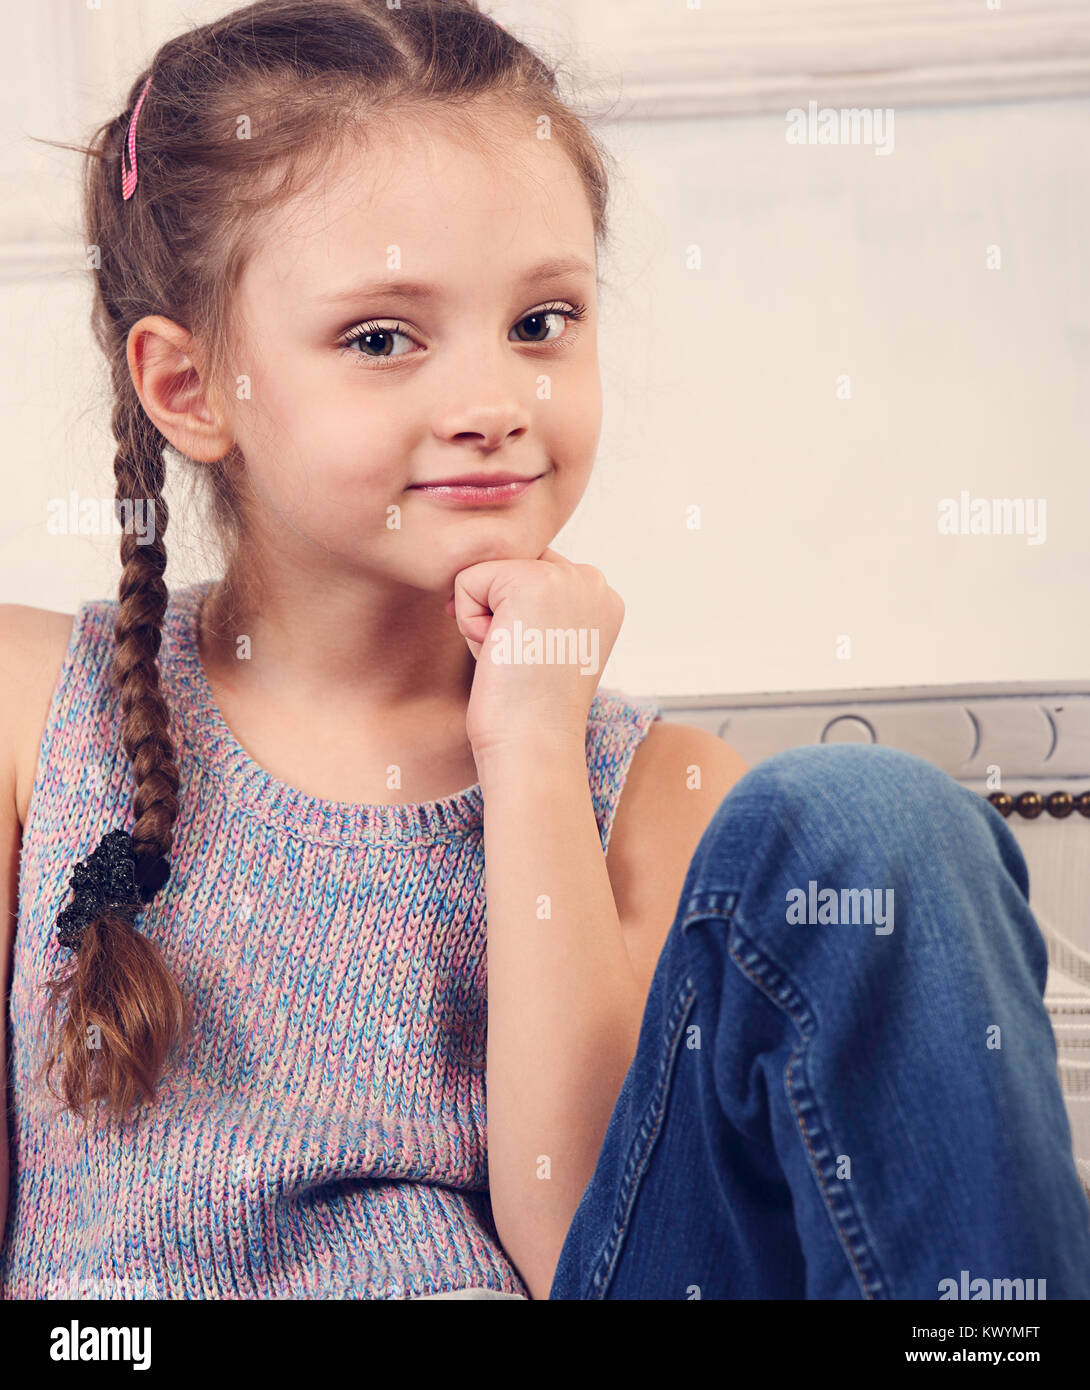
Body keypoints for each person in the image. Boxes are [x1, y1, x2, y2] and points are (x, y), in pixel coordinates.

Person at [0, 0, 1086, 1303]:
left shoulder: (657, 793)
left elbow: (579, 1244)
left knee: (874, 821)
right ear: (187, 387)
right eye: (382, 337)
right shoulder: (36, 717)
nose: (494, 404)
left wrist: (524, 740)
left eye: (541, 322)